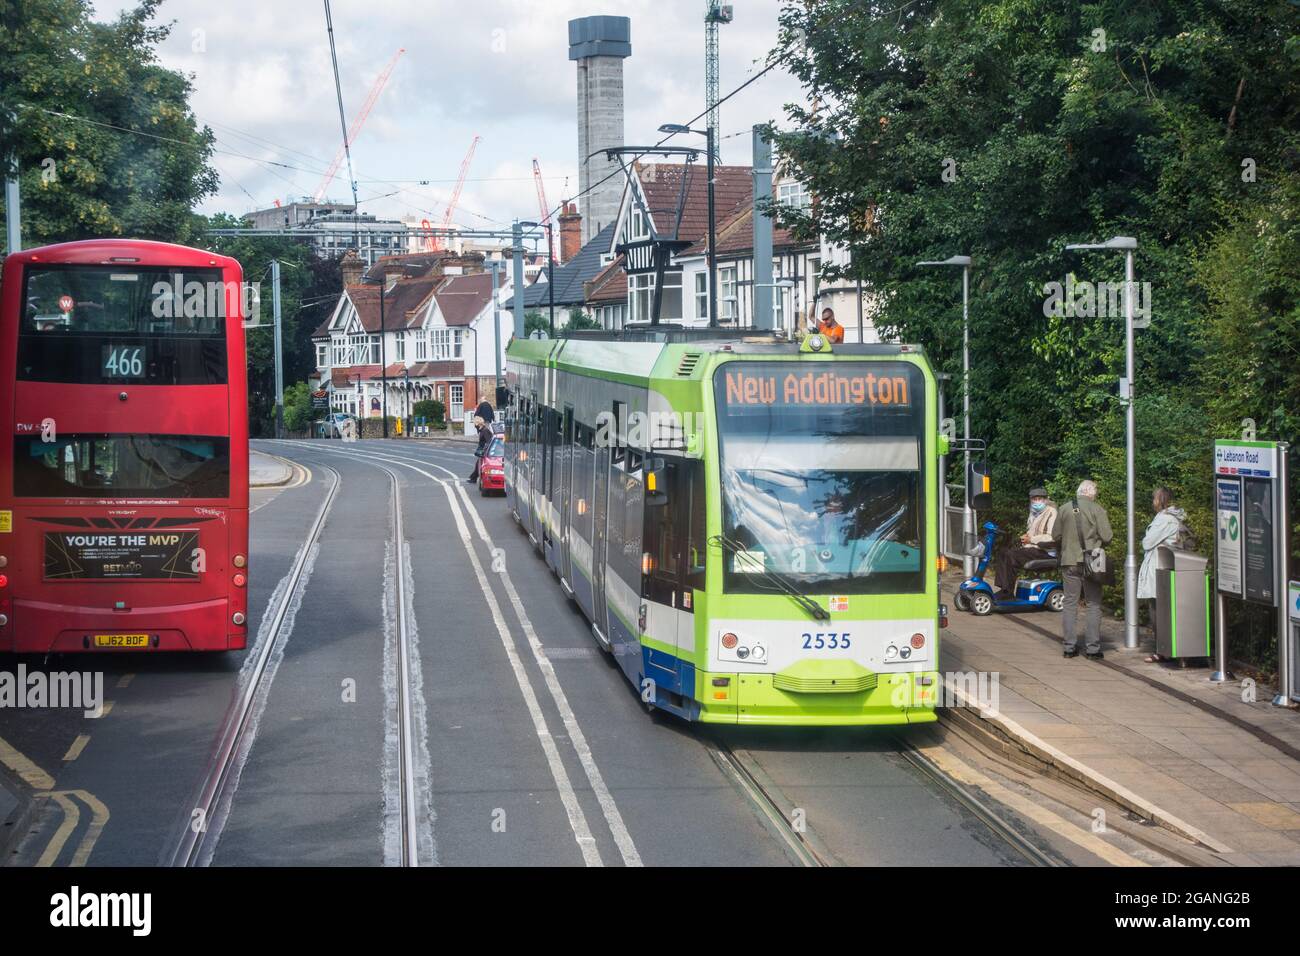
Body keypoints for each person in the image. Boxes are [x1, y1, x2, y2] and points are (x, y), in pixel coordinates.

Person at [1052, 479, 1114, 660]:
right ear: (1091, 493)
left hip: (1070, 560)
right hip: (1093, 561)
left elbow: (1055, 535)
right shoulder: (1098, 509)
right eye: (1096, 493)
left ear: (1079, 492)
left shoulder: (1063, 509)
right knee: (1093, 604)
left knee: (1070, 603)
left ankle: (1069, 648)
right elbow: (1107, 536)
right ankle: (1093, 649)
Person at [1138, 487, 1188, 661]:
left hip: (1158, 566)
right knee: (1166, 609)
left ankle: (1162, 650)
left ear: (1161, 500)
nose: (1153, 502)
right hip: (1169, 566)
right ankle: (1167, 649)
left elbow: (1147, 542)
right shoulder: (1176, 517)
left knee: (1156, 610)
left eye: (1154, 498)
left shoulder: (1165, 519)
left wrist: (1147, 539)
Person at [994, 487, 1058, 600]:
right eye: (1034, 499)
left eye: (1040, 498)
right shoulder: (1034, 513)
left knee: (1011, 555)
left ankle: (1007, 592)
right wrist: (1025, 536)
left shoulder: (1052, 513)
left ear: (1045, 500)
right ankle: (1004, 589)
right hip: (1032, 548)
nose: (1037, 501)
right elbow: (1031, 532)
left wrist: (1031, 539)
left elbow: (1051, 537)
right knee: (1002, 552)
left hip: (1045, 550)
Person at [467, 416, 492, 482]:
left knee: (479, 464)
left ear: (478, 423)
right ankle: (473, 478)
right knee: (478, 464)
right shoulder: (482, 430)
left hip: (484, 452)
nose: (474, 425)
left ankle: (473, 478)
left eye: (475, 423)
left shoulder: (485, 431)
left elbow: (488, 441)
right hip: (483, 451)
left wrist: (484, 450)